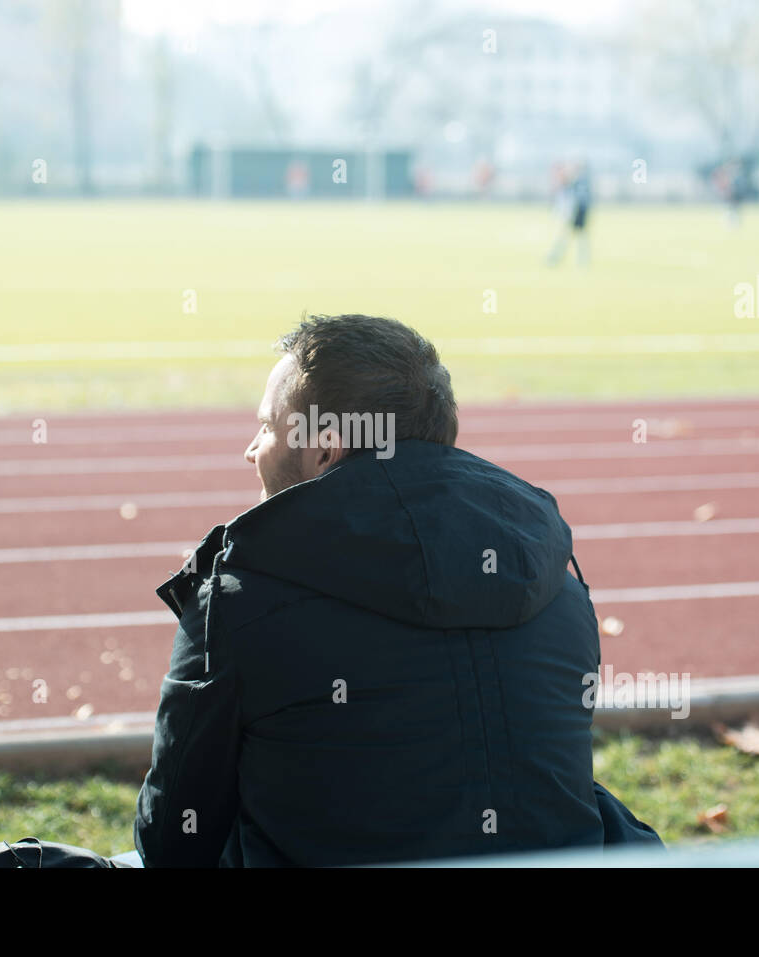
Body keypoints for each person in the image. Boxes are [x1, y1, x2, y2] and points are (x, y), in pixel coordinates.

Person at [132, 314, 661, 867]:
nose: (251, 450)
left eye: (268, 427)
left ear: (326, 451)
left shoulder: (238, 604)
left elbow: (173, 844)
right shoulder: (560, 587)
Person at [546, 161, 591, 267]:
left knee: (570, 237)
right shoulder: (579, 182)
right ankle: (580, 260)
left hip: (576, 213)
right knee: (573, 237)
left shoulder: (576, 182)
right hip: (578, 212)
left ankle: (557, 258)